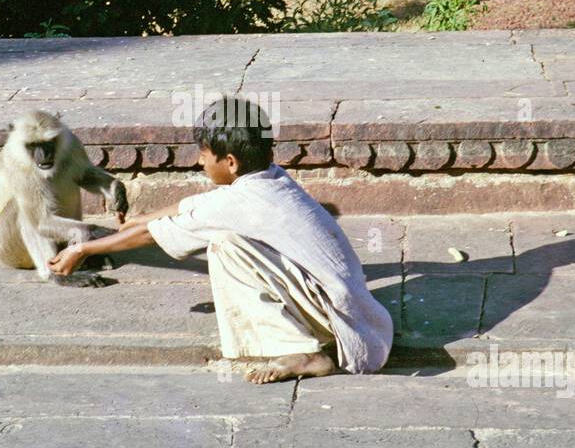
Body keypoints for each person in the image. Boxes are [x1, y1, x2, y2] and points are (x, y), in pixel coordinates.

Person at [48, 97, 393, 384]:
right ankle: (304, 340)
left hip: (343, 322)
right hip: (359, 314)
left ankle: (303, 353)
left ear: (230, 162)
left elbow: (154, 234)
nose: (199, 160)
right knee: (225, 234)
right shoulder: (271, 177)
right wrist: (140, 217)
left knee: (226, 246)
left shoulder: (237, 202)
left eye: (204, 153)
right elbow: (194, 206)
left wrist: (83, 248)